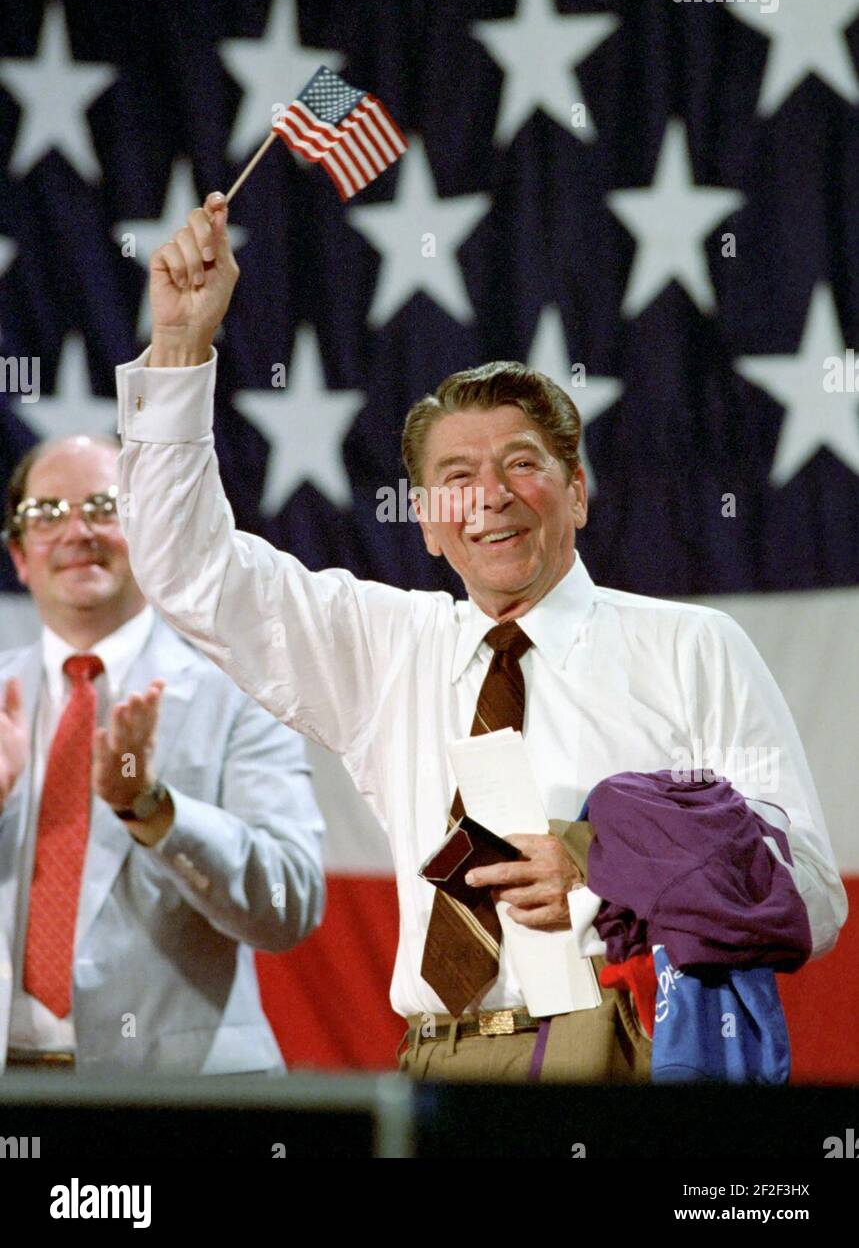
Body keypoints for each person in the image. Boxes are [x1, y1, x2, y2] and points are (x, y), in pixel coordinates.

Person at [113, 192, 847, 1083]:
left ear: (575, 492)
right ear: (425, 521)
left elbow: (808, 898)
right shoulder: (387, 649)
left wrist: (606, 865)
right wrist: (185, 346)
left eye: (522, 465)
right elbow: (187, 568)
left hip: (623, 1052)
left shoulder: (692, 646)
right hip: (439, 1070)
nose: (490, 495)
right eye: (456, 477)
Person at [0, 432, 325, 1075]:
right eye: (46, 515)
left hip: (176, 1097)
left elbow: (291, 903)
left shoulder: (242, 690)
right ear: (18, 555)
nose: (76, 532)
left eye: (104, 507)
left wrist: (153, 809)